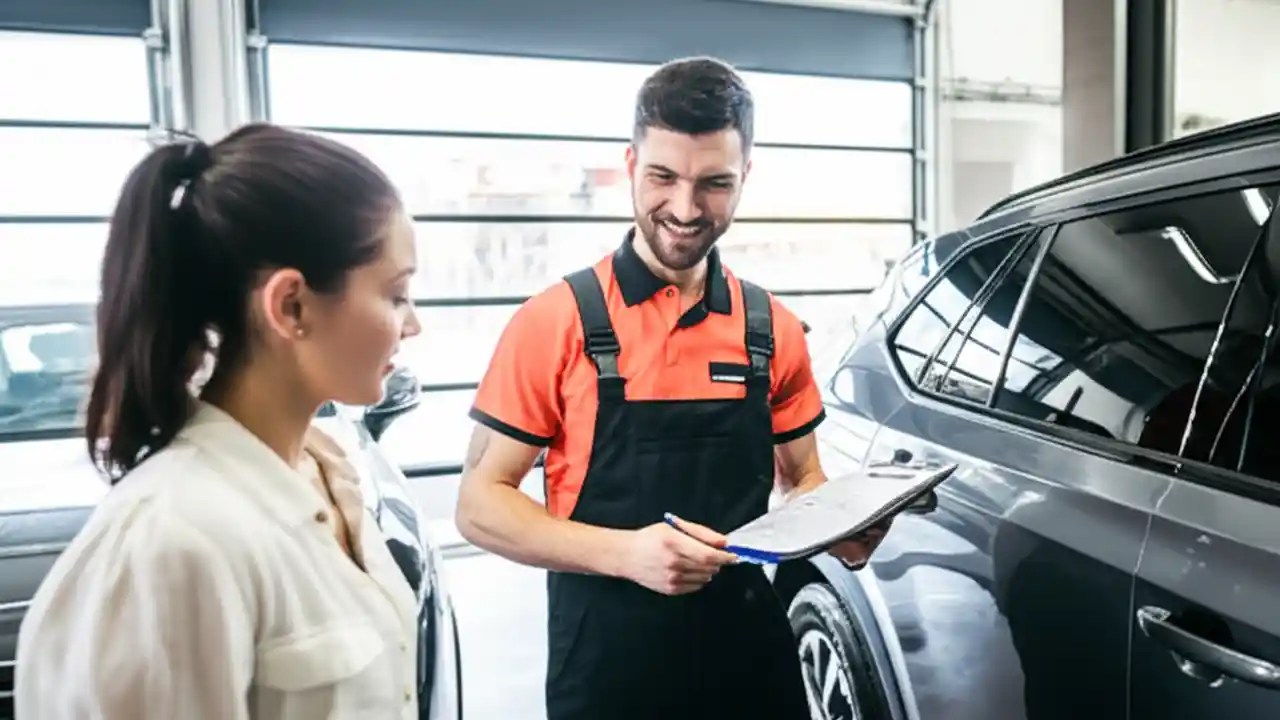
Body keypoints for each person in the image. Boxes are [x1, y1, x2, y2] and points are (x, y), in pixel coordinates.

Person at [455, 56, 891, 719]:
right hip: (607, 670)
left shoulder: (771, 328)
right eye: (663, 176)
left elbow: (802, 478)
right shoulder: (556, 321)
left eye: (714, 183)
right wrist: (627, 553)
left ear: (746, 176)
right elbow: (480, 504)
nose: (685, 210)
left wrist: (839, 528)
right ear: (631, 165)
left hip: (750, 663)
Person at [15, 124, 423, 719]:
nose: (411, 325)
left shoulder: (327, 470)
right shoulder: (171, 544)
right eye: (396, 295)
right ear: (291, 305)